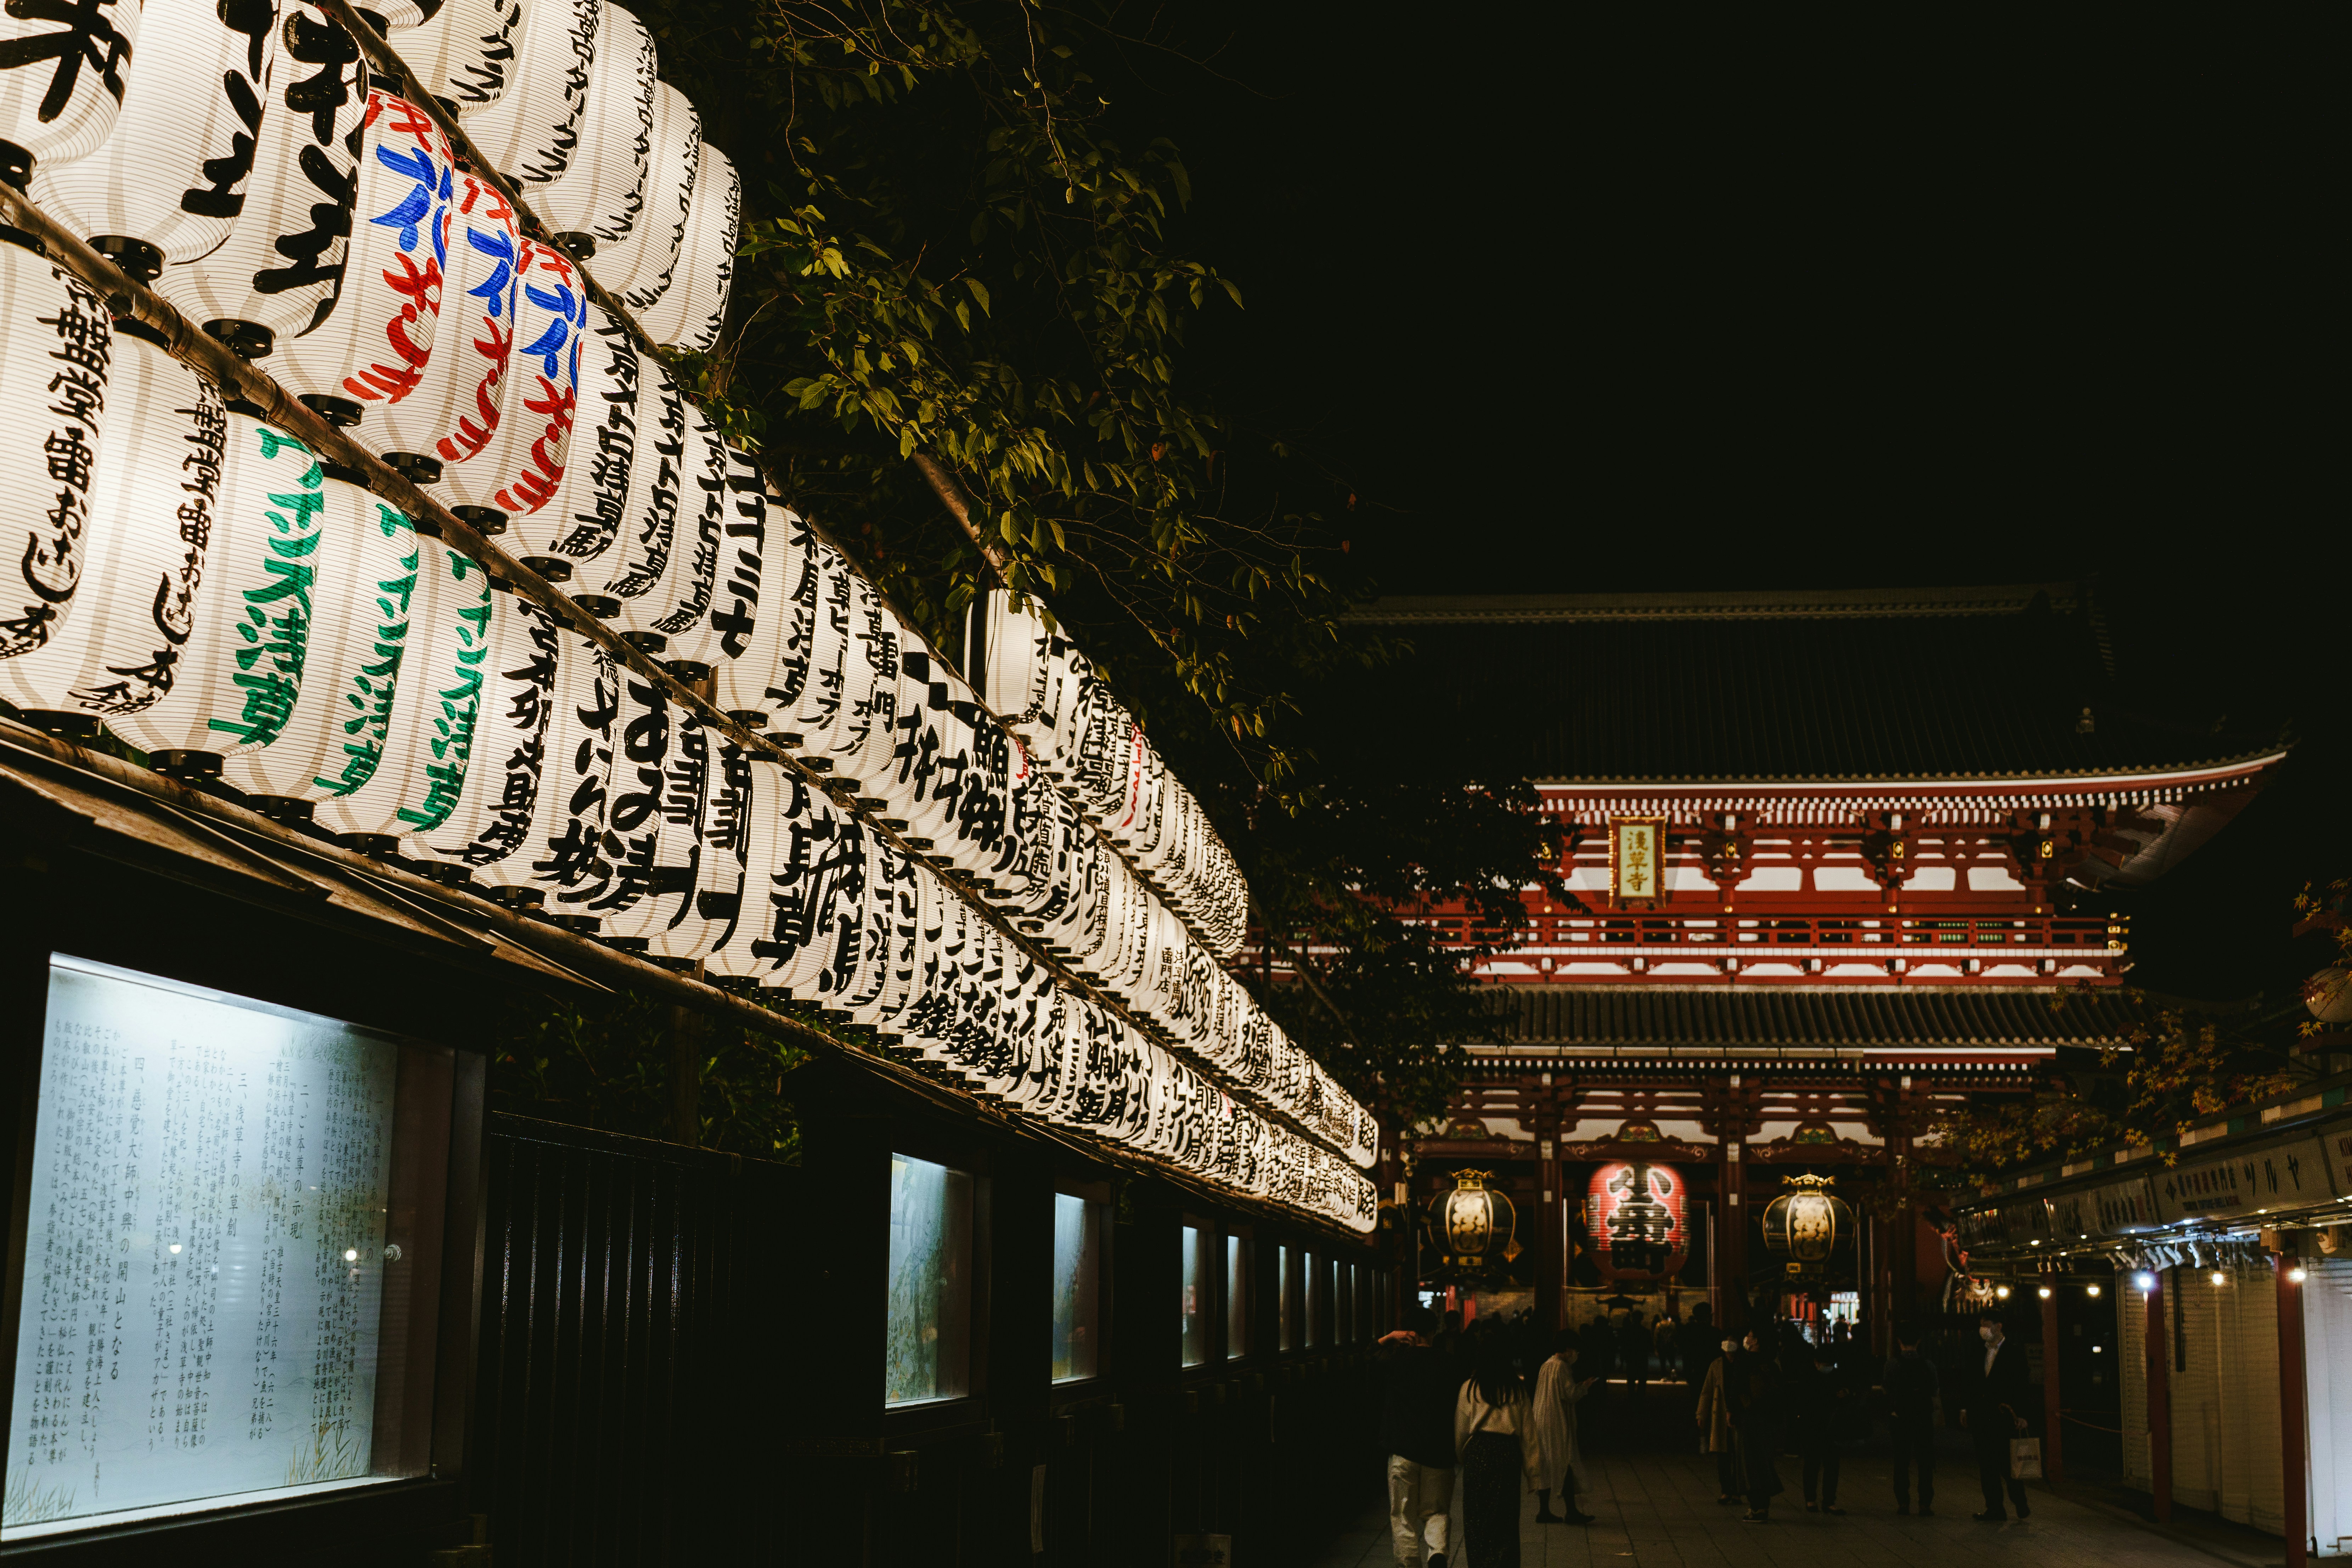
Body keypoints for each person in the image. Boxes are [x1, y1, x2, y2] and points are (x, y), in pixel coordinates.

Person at [1376, 1306, 1460, 1567]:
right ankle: (1437, 1554)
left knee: (1402, 1516)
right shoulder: (1448, 1363)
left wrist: (1387, 1339)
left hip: (1403, 1450)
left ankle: (1409, 1564)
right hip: (1438, 1451)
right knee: (1436, 1511)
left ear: (1407, 1334)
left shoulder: (1395, 1363)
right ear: (1433, 1332)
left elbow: (1365, 1360)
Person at [1454, 1336, 1543, 1568]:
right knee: (1505, 1519)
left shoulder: (1469, 1388)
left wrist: (1463, 1457)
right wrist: (1534, 1473)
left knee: (1476, 1519)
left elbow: (1461, 1430)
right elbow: (1529, 1435)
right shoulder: (1516, 1390)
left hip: (1478, 1452)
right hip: (1507, 1454)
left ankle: (1480, 1562)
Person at [1963, 1309, 2033, 1522]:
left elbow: (2022, 1386)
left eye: (1987, 1324)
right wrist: (1965, 1408)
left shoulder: (2014, 1353)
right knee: (1987, 1465)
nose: (1983, 1329)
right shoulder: (1977, 1351)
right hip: (1981, 1416)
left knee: (2007, 1463)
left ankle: (2020, 1502)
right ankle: (1995, 1508)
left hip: (2004, 1416)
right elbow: (1970, 1382)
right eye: (1981, 1325)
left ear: (1999, 1326)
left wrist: (2021, 1414)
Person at [1531, 1331, 1599, 1525]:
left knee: (1545, 1464)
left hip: (1541, 1417)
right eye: (1575, 1350)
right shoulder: (1562, 1367)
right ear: (1568, 1349)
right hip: (1556, 1419)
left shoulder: (1547, 1364)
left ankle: (1544, 1511)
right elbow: (1570, 1394)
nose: (1576, 1354)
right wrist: (1585, 1386)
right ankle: (1571, 1512)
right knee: (1566, 1461)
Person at [1726, 1329, 1785, 1523]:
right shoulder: (1773, 1362)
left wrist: (1731, 1411)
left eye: (1750, 1336)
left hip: (1748, 1416)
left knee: (1748, 1462)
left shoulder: (1745, 1360)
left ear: (1756, 1341)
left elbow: (1736, 1387)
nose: (1747, 1338)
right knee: (1764, 1460)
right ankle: (1764, 1505)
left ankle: (1756, 1507)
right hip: (1768, 1418)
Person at [1884, 1324, 1941, 1515]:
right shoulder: (1928, 1365)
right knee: (1925, 1461)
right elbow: (1934, 1390)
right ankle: (1925, 1503)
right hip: (1923, 1417)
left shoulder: (1893, 1364)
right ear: (1918, 1342)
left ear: (1899, 1342)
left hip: (1901, 1417)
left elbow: (1888, 1388)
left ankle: (1903, 1502)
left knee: (1901, 1460)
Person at [1792, 1346, 1848, 1513]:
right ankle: (1816, 1500)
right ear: (1816, 1363)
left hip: (1825, 1426)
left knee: (1825, 1465)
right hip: (1815, 1426)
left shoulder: (1817, 1376)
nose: (1828, 1367)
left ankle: (1822, 1501)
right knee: (1815, 1464)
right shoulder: (1810, 1377)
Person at [1693, 1333, 1741, 1503]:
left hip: (1738, 1412)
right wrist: (1702, 1414)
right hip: (1720, 1413)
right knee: (1723, 1454)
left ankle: (1737, 1490)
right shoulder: (1717, 1365)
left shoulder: (1742, 1364)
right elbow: (1707, 1391)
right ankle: (1726, 1490)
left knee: (1738, 1454)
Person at [1652, 1309, 1682, 1381]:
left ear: (1662, 1316)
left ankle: (1664, 1377)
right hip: (1671, 1346)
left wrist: (1656, 1348)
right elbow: (1676, 1335)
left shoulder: (1659, 1325)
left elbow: (1656, 1337)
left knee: (1663, 1362)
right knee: (1672, 1361)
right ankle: (1673, 1374)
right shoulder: (1673, 1324)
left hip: (1662, 1346)